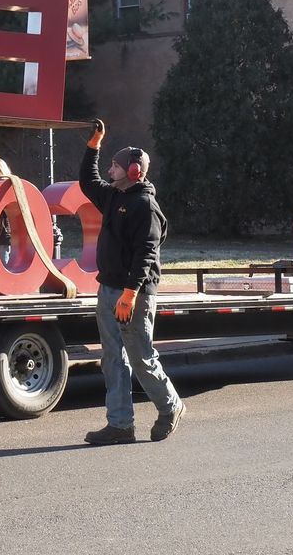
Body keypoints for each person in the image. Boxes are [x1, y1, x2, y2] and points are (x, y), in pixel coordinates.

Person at [78, 118, 185, 444]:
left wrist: (130, 293)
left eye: (115, 165)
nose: (110, 170)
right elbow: (87, 181)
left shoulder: (145, 206)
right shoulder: (113, 196)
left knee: (141, 358)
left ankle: (171, 406)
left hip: (133, 295)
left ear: (134, 171)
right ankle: (120, 425)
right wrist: (93, 145)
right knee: (112, 359)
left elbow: (146, 254)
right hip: (108, 288)